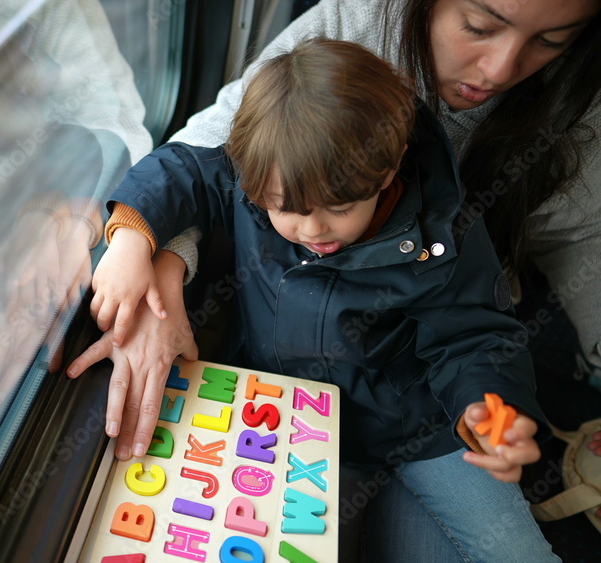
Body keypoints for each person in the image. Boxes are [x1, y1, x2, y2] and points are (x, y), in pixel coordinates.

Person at [68, 0, 601, 535]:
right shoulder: (258, 175)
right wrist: (132, 239)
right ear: (253, 180)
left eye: (342, 208)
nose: (313, 230)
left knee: (509, 549)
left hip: (424, 424)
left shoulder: (447, 236)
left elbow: (476, 338)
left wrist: (491, 408)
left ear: (390, 170)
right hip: (294, 418)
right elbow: (181, 168)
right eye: (286, 210)